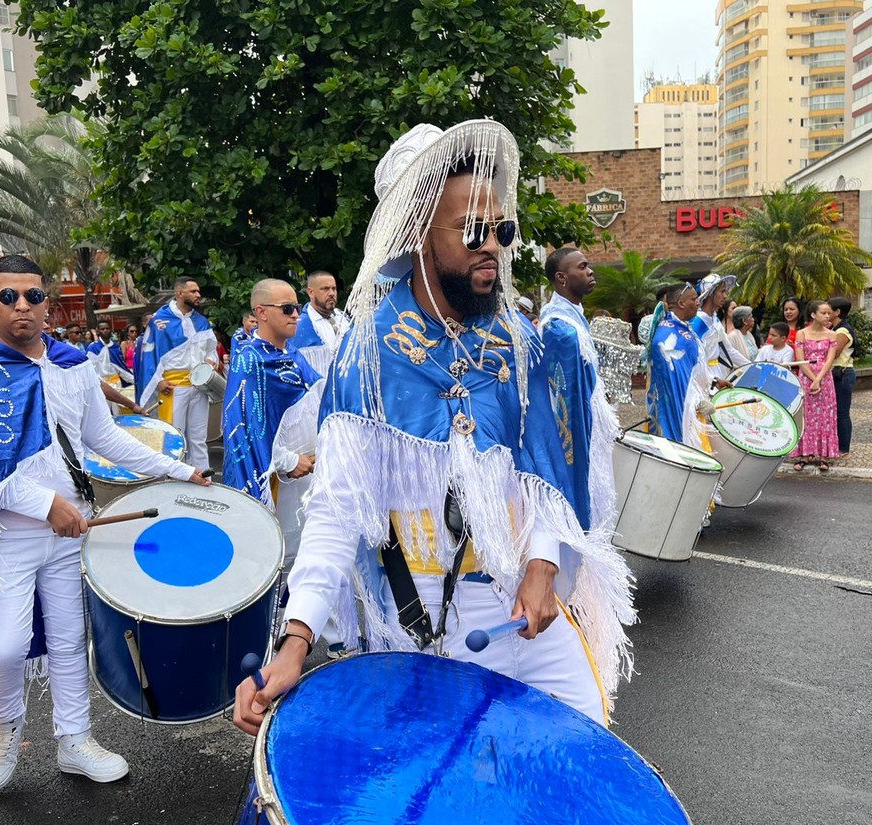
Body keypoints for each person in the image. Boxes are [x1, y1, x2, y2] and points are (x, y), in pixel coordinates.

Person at [232, 120, 634, 737]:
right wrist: (295, 640)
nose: (492, 247)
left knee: (579, 755)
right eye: (473, 231)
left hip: (520, 608)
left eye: (502, 231)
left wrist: (542, 568)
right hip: (419, 622)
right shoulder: (368, 353)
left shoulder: (518, 344)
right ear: (418, 231)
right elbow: (339, 510)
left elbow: (544, 477)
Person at [0, 255, 210, 799]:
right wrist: (44, 502)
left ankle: (75, 739)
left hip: (72, 529)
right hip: (5, 533)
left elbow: (105, 438)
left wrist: (183, 469)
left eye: (33, 296)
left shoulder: (73, 364)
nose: (22, 307)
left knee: (72, 640)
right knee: (2, 646)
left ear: (48, 302)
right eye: (8, 297)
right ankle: (4, 732)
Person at [222, 279, 323, 572]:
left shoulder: (292, 354)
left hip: (309, 475)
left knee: (310, 555)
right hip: (278, 479)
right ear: (261, 312)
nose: (296, 315)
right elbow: (243, 427)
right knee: (282, 558)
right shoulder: (250, 361)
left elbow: (320, 396)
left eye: (297, 308)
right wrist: (288, 461)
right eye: (287, 308)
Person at [539, 247, 618, 532]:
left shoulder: (573, 319)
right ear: (562, 278)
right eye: (582, 267)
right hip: (579, 439)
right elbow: (567, 406)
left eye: (589, 265)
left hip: (592, 432)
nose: (590, 271)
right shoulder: (560, 329)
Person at [135, 277, 218, 471]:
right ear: (180, 293)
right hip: (173, 387)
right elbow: (148, 354)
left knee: (198, 436)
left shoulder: (201, 321)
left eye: (198, 291)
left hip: (199, 385)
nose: (198, 295)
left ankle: (203, 474)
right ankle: (175, 475)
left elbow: (211, 349)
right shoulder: (159, 320)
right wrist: (159, 381)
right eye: (193, 291)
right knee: (174, 435)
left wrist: (210, 361)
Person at [647, 282, 715, 451]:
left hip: (692, 411)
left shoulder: (682, 328)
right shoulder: (668, 336)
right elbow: (677, 385)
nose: (698, 303)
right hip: (680, 416)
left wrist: (714, 381)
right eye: (694, 299)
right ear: (681, 303)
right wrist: (698, 401)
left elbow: (692, 370)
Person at [790, 300, 842, 473]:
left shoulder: (831, 335)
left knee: (825, 416)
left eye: (829, 313)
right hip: (806, 377)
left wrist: (819, 379)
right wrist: (813, 379)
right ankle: (804, 454)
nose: (828, 316)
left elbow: (830, 359)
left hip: (825, 379)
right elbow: (800, 359)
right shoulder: (801, 334)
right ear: (813, 315)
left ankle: (823, 455)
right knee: (806, 415)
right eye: (824, 313)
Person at [288, 270, 351, 376]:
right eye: (325, 289)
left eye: (334, 289)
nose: (331, 293)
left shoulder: (345, 319)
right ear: (311, 292)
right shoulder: (299, 327)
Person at [692, 273, 750, 370]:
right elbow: (696, 359)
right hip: (706, 377)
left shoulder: (715, 319)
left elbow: (728, 350)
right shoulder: (698, 322)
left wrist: (752, 366)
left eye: (726, 292)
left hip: (719, 373)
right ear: (711, 293)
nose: (725, 296)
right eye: (722, 291)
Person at [829, 297, 857, 459]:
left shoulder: (842, 331)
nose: (826, 314)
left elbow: (834, 353)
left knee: (842, 412)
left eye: (828, 311)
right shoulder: (836, 328)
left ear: (837, 312)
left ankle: (844, 447)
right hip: (838, 373)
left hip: (843, 373)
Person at [86, 319, 133, 387]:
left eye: (107, 328)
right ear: (98, 331)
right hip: (101, 386)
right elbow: (91, 370)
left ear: (110, 330)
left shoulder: (115, 346)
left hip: (117, 384)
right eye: (102, 329)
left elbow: (121, 368)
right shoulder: (92, 348)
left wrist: (134, 380)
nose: (105, 330)